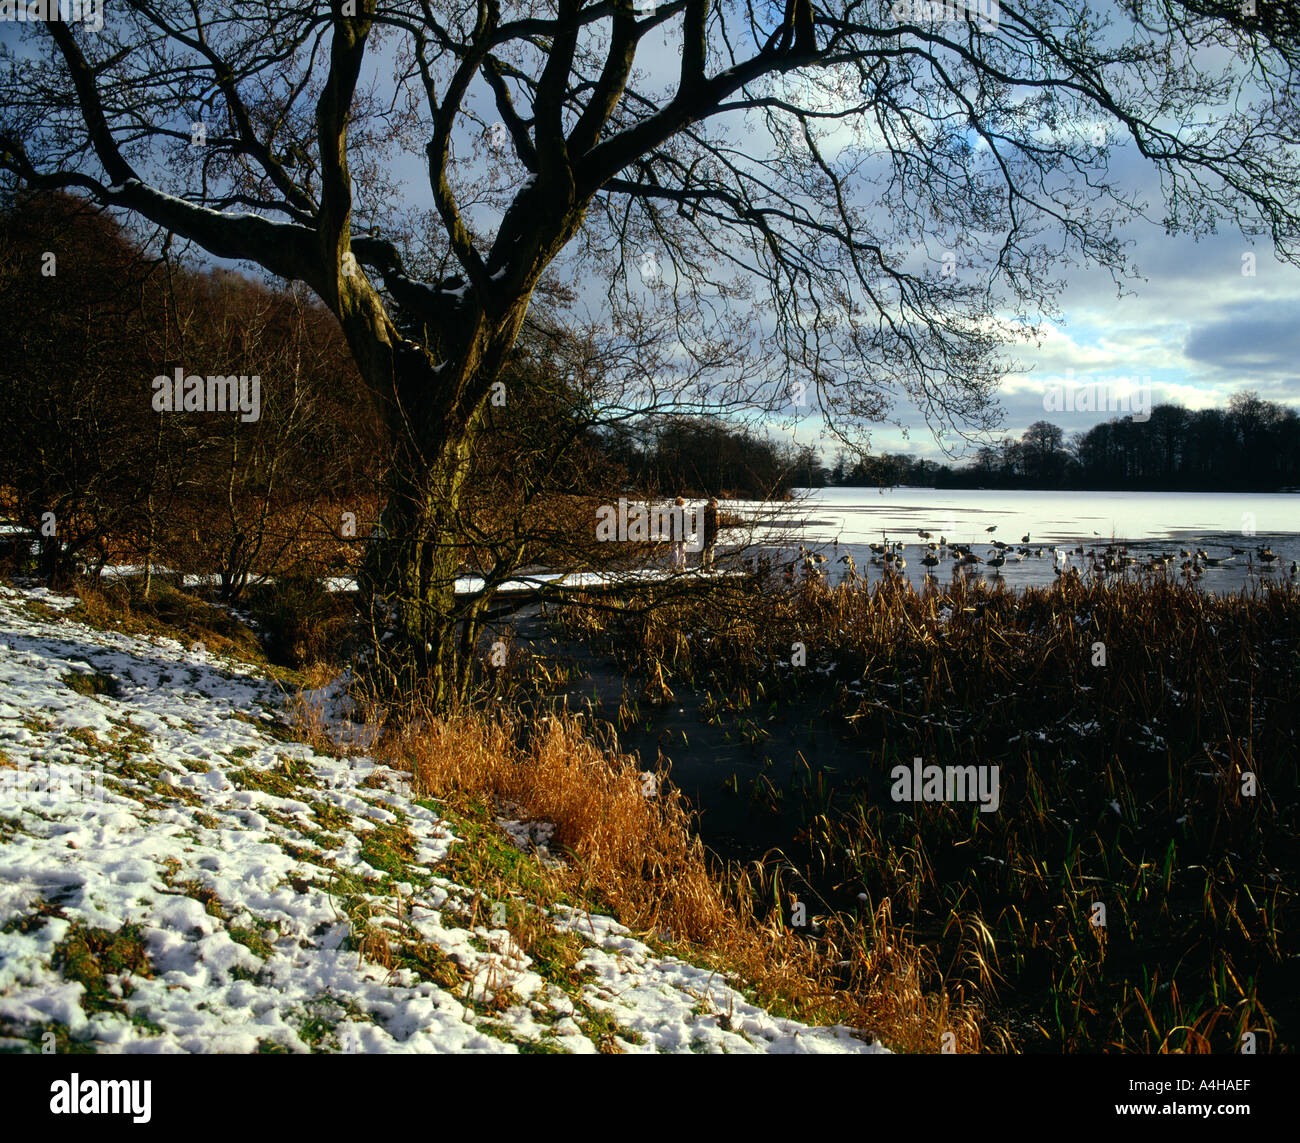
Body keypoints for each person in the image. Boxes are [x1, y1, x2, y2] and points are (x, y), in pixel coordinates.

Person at [668, 496, 687, 571]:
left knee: (675, 550)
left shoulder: (672, 513)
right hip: (683, 534)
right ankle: (681, 566)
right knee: (682, 551)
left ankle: (674, 566)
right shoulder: (685, 512)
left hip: (674, 533)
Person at [700, 497, 719, 569]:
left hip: (702, 534)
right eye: (716, 503)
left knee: (702, 552)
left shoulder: (703, 510)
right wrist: (715, 535)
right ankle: (708, 567)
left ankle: (701, 568)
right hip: (710, 534)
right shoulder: (713, 511)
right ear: (714, 503)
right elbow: (715, 524)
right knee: (710, 551)